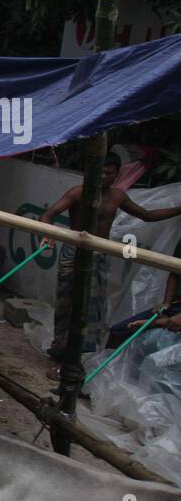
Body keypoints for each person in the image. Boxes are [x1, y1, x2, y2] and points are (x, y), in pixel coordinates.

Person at [40, 152, 181, 371]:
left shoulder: (118, 196)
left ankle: (78, 356)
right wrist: (47, 234)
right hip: (75, 252)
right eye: (100, 172)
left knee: (93, 307)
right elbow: (49, 215)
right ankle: (61, 352)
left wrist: (178, 210)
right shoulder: (78, 193)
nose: (104, 177)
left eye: (109, 173)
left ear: (116, 176)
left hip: (100, 255)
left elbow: (146, 215)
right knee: (69, 302)